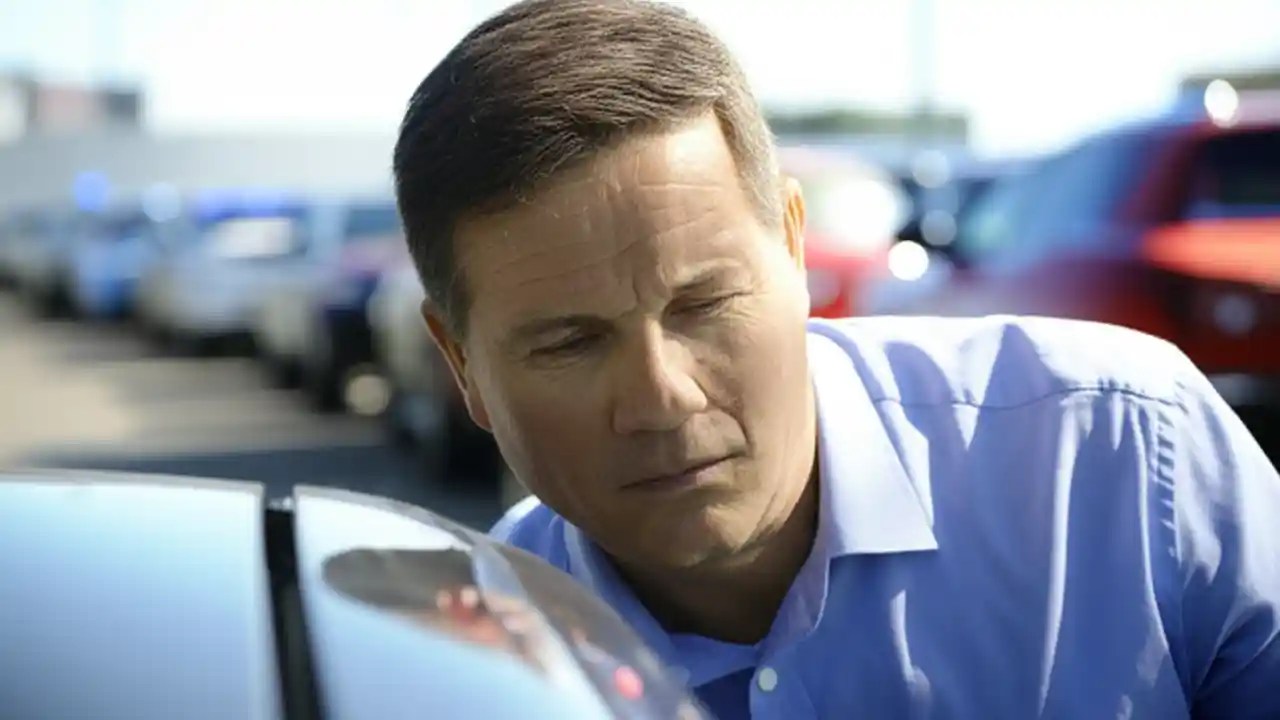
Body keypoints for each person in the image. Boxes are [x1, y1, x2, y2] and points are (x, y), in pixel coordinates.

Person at [391, 1, 1280, 717]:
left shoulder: (1121, 455)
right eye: (571, 342)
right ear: (460, 363)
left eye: (704, 303)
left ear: (793, 244)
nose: (661, 398)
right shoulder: (482, 668)